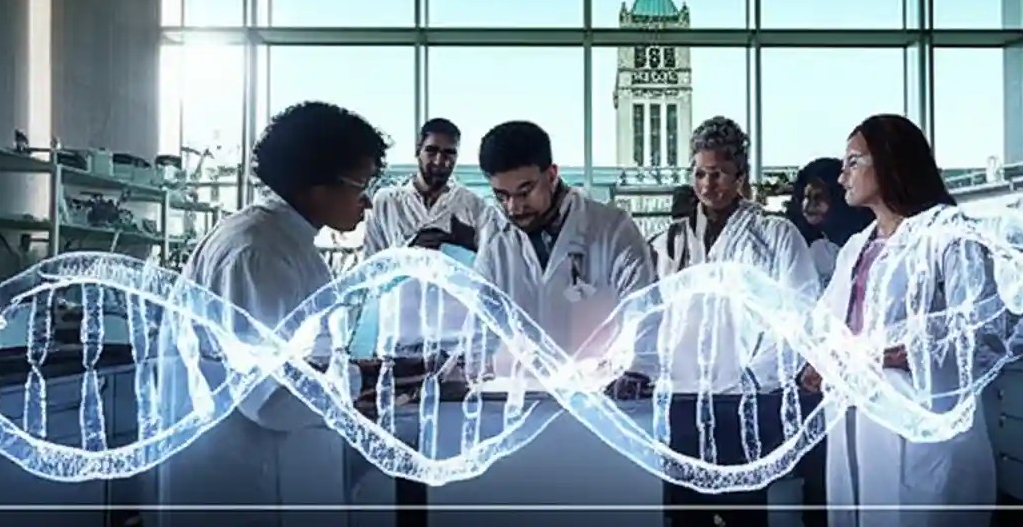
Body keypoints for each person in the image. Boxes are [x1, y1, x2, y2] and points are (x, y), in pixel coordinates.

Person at [152, 101, 389, 527]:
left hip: (278, 474)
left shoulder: (287, 244)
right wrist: (358, 382)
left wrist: (352, 371)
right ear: (315, 184)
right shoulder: (256, 252)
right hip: (245, 482)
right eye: (360, 183)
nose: (367, 201)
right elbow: (272, 398)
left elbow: (302, 359)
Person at [800, 114, 996, 527]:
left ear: (890, 163)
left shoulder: (948, 234)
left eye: (853, 162)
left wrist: (912, 348)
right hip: (856, 417)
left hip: (920, 417)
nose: (841, 177)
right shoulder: (857, 247)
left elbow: (986, 326)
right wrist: (817, 359)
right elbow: (828, 322)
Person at [652, 116, 821, 527]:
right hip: (682, 398)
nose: (708, 184)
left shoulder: (775, 235)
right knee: (683, 511)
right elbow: (655, 314)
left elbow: (798, 313)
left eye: (720, 174)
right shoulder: (671, 240)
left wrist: (753, 378)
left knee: (743, 511)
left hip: (747, 400)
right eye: (700, 173)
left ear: (741, 176)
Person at [472, 120, 656, 385]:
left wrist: (637, 370)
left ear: (552, 175)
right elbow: (481, 322)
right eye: (501, 195)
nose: (514, 207)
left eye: (525, 191)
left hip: (598, 394)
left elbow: (644, 309)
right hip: (519, 395)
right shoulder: (496, 241)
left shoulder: (612, 228)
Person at [362, 118, 499, 355]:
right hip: (399, 333)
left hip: (454, 336)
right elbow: (370, 271)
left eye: (449, 153)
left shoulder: (473, 206)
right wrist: (410, 250)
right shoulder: (387, 201)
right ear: (418, 150)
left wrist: (464, 244)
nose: (440, 161)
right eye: (432, 151)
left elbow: (488, 276)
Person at [789, 157, 874, 284]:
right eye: (806, 197)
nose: (809, 205)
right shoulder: (796, 241)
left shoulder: (861, 242)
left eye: (818, 197)